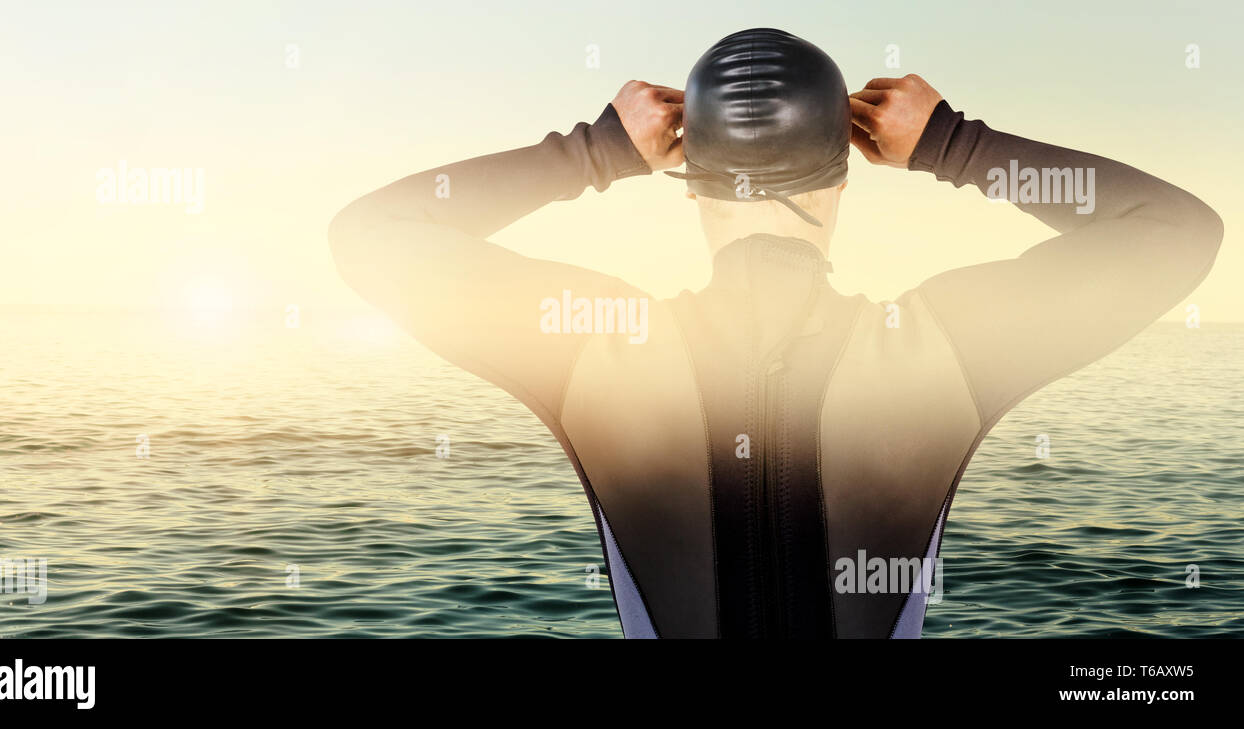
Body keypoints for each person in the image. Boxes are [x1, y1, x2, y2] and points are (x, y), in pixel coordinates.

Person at [328, 28, 1222, 638]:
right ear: (845, 176)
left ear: (688, 180)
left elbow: (372, 237)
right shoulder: (936, 351)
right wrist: (954, 143)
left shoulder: (597, 348)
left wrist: (594, 150)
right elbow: (1175, 232)